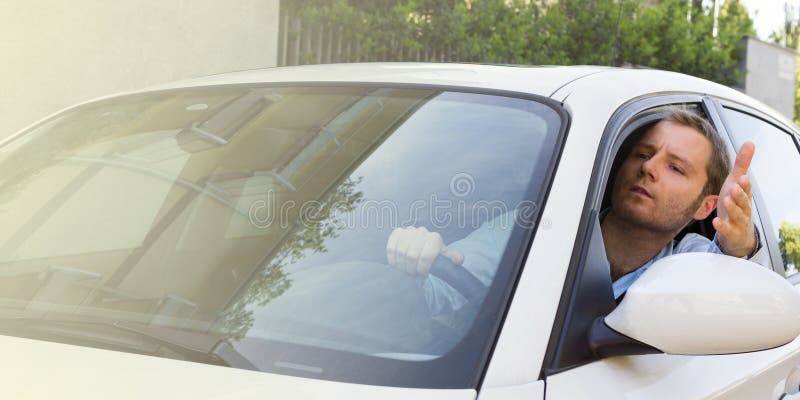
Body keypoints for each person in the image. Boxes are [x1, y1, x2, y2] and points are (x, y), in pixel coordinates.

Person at [385, 108, 768, 316]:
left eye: (675, 167)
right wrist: (417, 258)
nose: (648, 168)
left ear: (705, 206)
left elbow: (732, 286)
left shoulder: (690, 262)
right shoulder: (538, 229)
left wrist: (741, 246)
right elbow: (444, 291)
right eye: (643, 153)